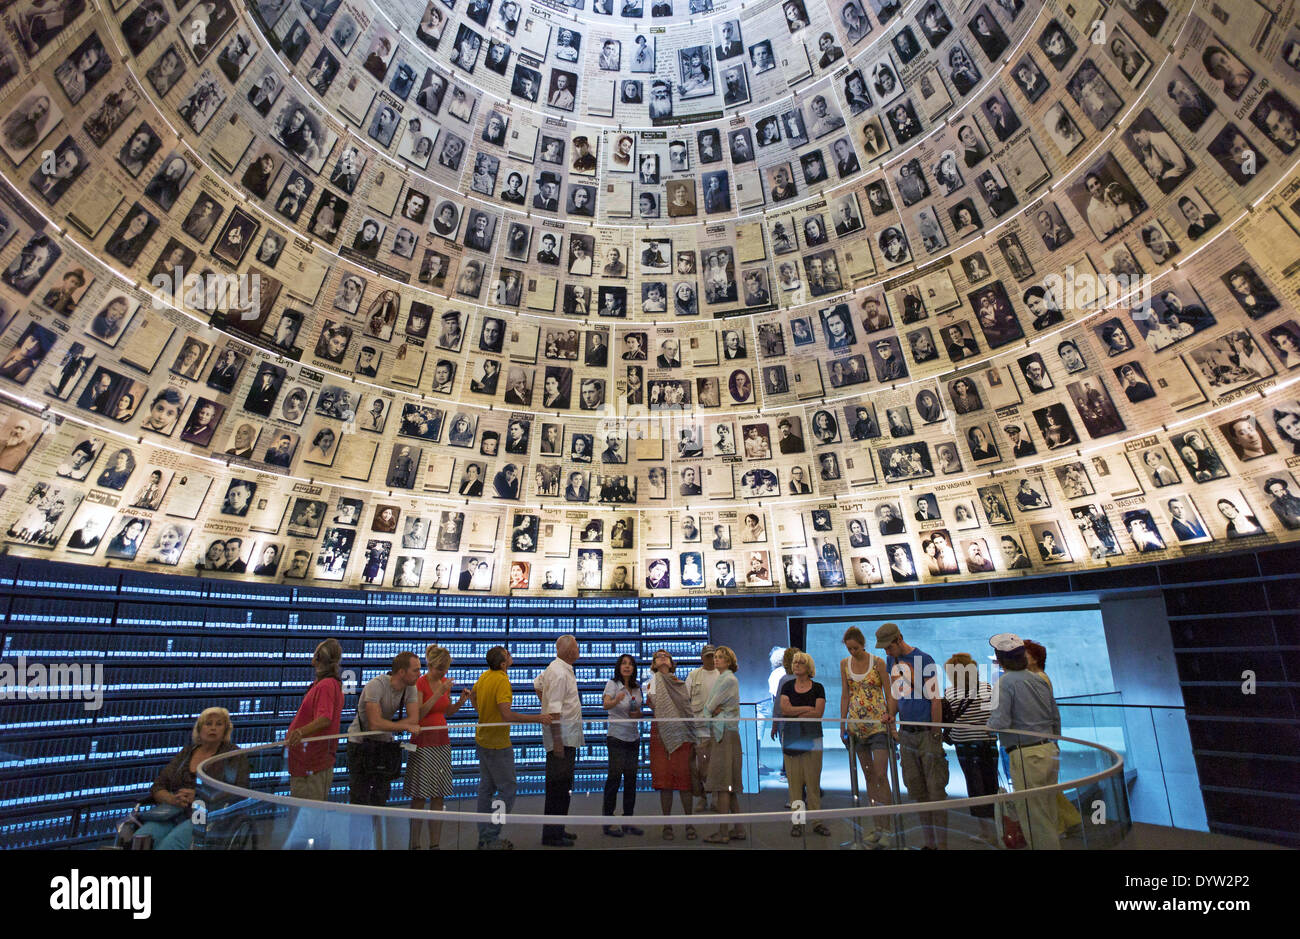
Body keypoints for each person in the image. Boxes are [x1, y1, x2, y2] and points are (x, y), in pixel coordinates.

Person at [471, 646, 553, 849]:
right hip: (498, 745)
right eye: (507, 654)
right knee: (508, 790)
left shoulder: (484, 676)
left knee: (486, 790)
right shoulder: (502, 681)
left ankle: (484, 837)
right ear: (502, 663)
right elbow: (507, 714)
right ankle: (492, 836)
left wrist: (483, 713)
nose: (511, 655)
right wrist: (538, 718)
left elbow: (473, 695)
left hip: (482, 740)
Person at [987, 633, 1062, 849]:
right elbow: (1055, 717)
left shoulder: (1005, 683)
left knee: (1033, 817)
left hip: (1026, 754)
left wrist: (988, 725)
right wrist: (1055, 745)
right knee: (1048, 813)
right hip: (1049, 750)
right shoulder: (1039, 679)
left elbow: (1000, 721)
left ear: (1000, 660)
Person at [133, 708, 244, 849]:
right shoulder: (186, 753)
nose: (213, 728)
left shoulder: (232, 756)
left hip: (207, 814)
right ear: (199, 729)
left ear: (226, 730)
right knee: (143, 838)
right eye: (208, 724)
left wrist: (200, 797)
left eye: (219, 724)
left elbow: (239, 790)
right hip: (173, 810)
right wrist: (171, 798)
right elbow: (158, 786)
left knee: (170, 844)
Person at [878, 622, 946, 848]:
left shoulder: (924, 659)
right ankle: (929, 843)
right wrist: (891, 716)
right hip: (907, 734)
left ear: (899, 639)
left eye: (889, 647)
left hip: (926, 732)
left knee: (935, 791)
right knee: (917, 790)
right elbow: (896, 694)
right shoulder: (891, 661)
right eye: (885, 649)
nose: (887, 653)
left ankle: (942, 844)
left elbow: (935, 698)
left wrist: (936, 732)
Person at [346, 651, 420, 848]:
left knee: (380, 798)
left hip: (384, 746)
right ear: (402, 672)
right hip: (360, 746)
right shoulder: (376, 685)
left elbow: (414, 719)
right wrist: (403, 726)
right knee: (359, 798)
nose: (419, 674)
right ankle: (356, 844)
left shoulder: (410, 688)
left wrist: (397, 726)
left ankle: (368, 840)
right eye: (416, 670)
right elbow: (374, 722)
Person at [280, 639, 344, 847]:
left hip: (313, 765)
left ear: (317, 659)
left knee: (309, 822)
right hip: (305, 763)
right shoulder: (324, 685)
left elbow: (324, 718)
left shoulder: (326, 686)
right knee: (308, 818)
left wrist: (299, 732)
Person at [409, 645, 471, 849]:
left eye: (445, 669)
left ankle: (435, 843)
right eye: (439, 669)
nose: (443, 673)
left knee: (439, 795)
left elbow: (447, 712)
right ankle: (414, 843)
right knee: (419, 796)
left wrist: (461, 702)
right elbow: (419, 714)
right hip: (423, 742)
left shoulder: (445, 682)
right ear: (430, 666)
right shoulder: (419, 683)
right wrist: (437, 694)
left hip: (442, 742)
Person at [839, 626, 894, 844]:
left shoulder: (878, 662)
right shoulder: (844, 664)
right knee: (869, 775)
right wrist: (843, 723)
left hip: (878, 724)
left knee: (881, 775)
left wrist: (891, 718)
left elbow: (888, 692)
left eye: (856, 648)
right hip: (856, 725)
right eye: (849, 648)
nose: (853, 652)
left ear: (863, 644)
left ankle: (887, 828)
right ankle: (876, 825)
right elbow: (845, 694)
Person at [533, 635, 583, 845]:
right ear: (570, 651)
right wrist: (558, 742)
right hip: (562, 740)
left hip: (565, 738)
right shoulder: (560, 673)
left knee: (562, 788)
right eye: (577, 647)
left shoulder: (555, 668)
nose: (579, 650)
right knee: (558, 789)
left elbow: (538, 684)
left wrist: (543, 702)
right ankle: (552, 835)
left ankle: (557, 829)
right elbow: (554, 712)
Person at [943, 653, 997, 844]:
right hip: (987, 742)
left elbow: (948, 721)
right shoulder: (988, 689)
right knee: (991, 784)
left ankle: (986, 831)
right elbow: (994, 716)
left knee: (975, 786)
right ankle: (998, 828)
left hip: (965, 746)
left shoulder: (949, 693)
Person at [645, 649, 696, 839]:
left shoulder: (680, 684)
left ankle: (690, 824)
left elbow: (686, 707)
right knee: (665, 781)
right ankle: (667, 824)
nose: (662, 658)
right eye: (658, 656)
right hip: (660, 734)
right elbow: (653, 703)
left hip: (682, 733)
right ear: (654, 663)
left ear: (672, 662)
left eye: (666, 656)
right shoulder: (651, 683)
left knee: (685, 780)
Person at [780, 652, 830, 837]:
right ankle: (797, 821)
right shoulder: (787, 686)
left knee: (813, 782)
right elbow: (784, 709)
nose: (797, 665)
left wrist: (795, 713)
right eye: (795, 662)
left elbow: (818, 713)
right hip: (792, 737)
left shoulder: (818, 687)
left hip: (813, 738)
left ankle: (817, 821)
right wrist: (806, 709)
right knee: (794, 783)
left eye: (801, 662)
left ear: (808, 666)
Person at [702, 646, 745, 843]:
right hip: (728, 733)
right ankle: (738, 829)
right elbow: (711, 708)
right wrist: (711, 710)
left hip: (724, 735)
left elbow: (709, 707)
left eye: (721, 657)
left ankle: (723, 832)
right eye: (716, 657)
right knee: (730, 784)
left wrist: (710, 711)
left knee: (723, 785)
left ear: (729, 661)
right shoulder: (727, 679)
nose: (716, 660)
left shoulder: (726, 679)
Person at [602, 654, 644, 836]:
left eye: (630, 664)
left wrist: (638, 714)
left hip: (633, 738)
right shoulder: (612, 684)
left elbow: (638, 713)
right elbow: (605, 705)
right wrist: (617, 699)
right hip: (617, 738)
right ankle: (608, 822)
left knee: (631, 781)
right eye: (624, 664)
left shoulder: (637, 688)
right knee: (614, 779)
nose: (627, 667)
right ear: (619, 667)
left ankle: (628, 821)